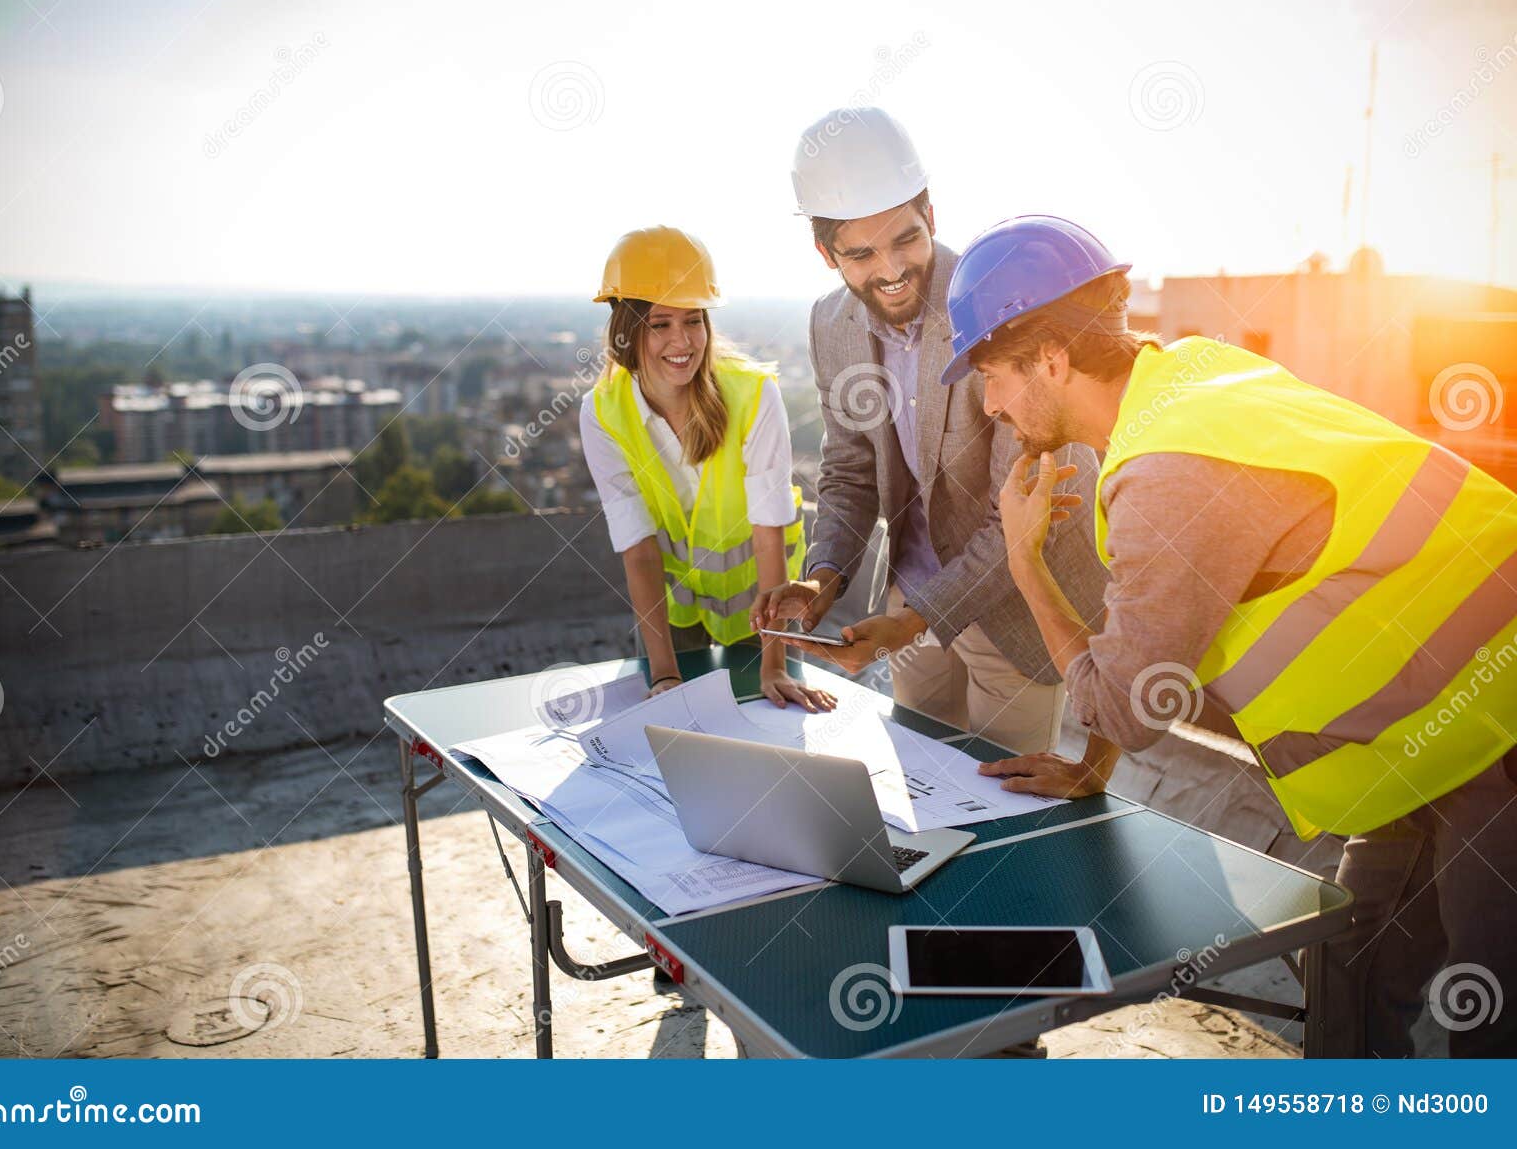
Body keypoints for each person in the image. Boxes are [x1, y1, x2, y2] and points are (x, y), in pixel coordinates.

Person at [948, 214, 1517, 1057]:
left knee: (1495, 1022)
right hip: (1421, 744)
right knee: (1350, 985)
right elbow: (1151, 631)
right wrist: (1090, 766)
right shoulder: (1188, 379)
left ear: (1052, 359)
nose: (990, 402)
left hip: (1495, 727)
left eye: (991, 373)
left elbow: (1128, 705)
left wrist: (1024, 562)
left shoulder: (1167, 476)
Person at [755, 107, 1120, 793]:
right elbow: (850, 473)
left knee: (1000, 817)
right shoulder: (829, 324)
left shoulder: (996, 302)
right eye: (861, 254)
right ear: (826, 255)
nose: (891, 270)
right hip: (911, 595)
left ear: (931, 211)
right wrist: (822, 577)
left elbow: (1015, 518)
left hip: (1018, 603)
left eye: (906, 238)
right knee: (923, 796)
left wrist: (907, 623)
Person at [581, 225, 835, 712]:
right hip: (675, 608)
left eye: (693, 320)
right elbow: (639, 551)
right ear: (625, 330)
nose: (682, 341)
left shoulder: (753, 394)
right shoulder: (603, 412)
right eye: (659, 324)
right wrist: (665, 676)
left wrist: (774, 664)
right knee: (673, 736)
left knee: (767, 731)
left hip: (764, 604)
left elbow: (767, 532)